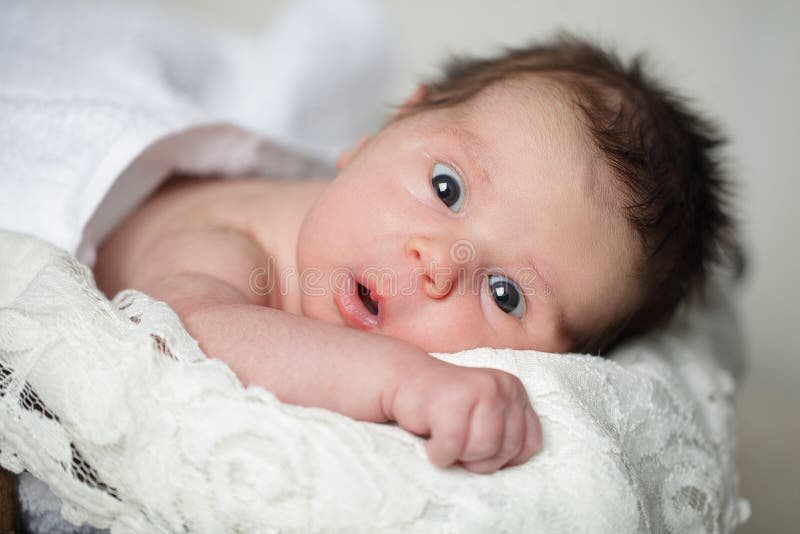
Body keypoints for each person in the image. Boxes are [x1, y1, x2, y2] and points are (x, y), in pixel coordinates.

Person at [92, 36, 735, 475]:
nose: (439, 264)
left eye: (505, 292)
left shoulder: (361, 237)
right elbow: (191, 328)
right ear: (389, 129)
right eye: (446, 188)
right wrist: (402, 381)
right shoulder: (236, 247)